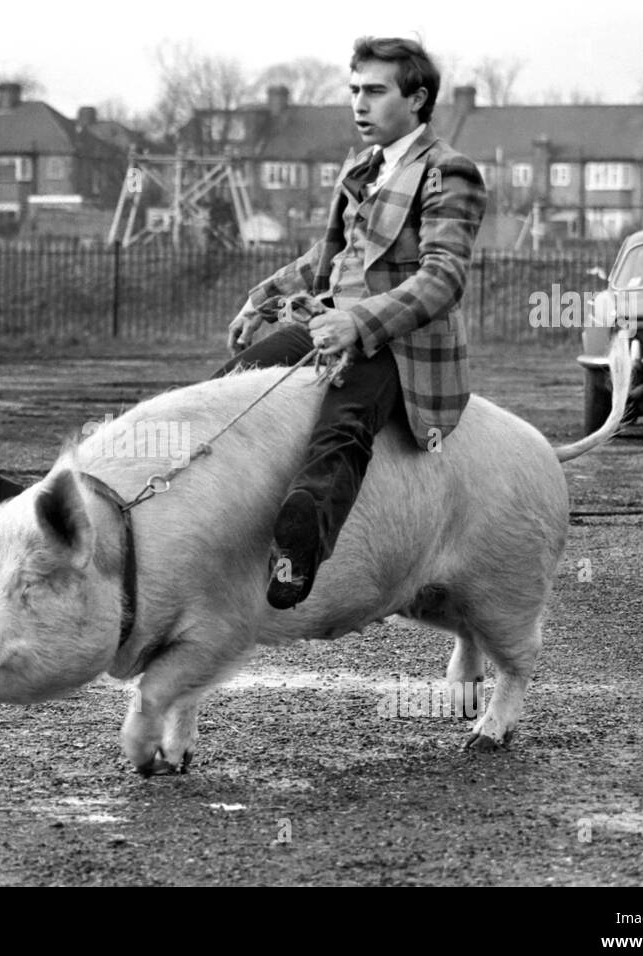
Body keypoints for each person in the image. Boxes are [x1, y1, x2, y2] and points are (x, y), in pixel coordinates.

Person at [219, 36, 487, 609]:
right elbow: (330, 256)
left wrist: (358, 324)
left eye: (374, 91)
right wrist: (260, 300)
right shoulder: (362, 166)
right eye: (354, 91)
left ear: (416, 100)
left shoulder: (448, 172)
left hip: (401, 345)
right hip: (329, 323)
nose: (358, 105)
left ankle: (299, 551)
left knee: (342, 426)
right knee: (226, 387)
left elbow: (443, 279)